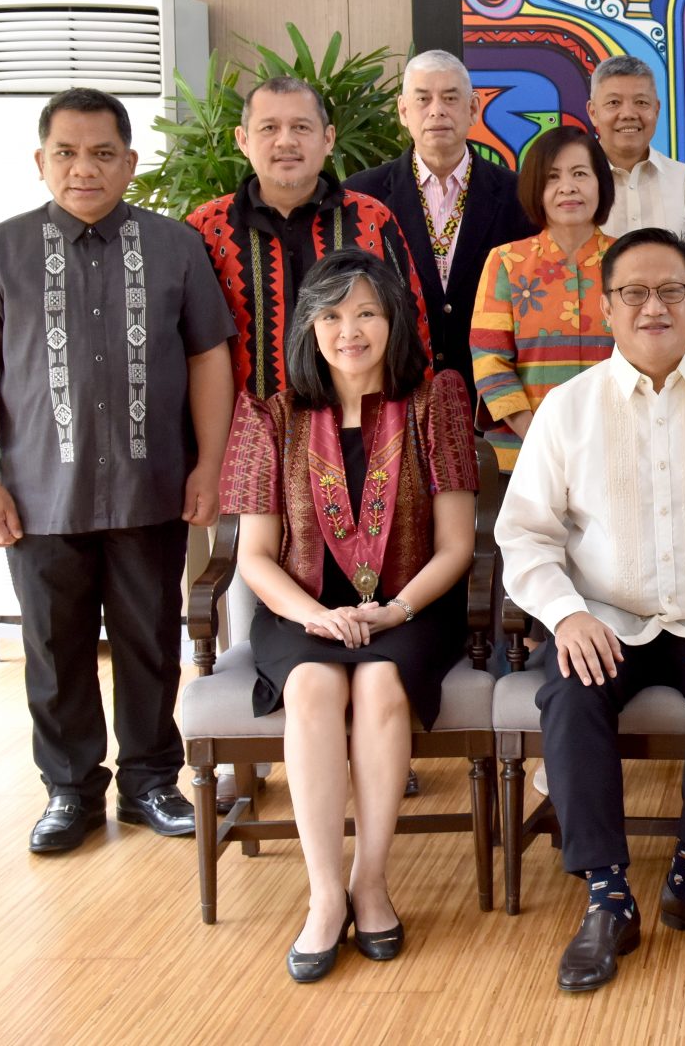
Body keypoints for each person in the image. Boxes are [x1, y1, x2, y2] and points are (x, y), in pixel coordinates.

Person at [496, 228, 685, 992]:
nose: (653, 306)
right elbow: (525, 534)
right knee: (569, 696)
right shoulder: (567, 409)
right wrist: (567, 615)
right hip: (603, 618)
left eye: (671, 290)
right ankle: (607, 897)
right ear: (607, 309)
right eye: (633, 292)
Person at [0, 88, 236, 855]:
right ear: (41, 162)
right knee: (53, 647)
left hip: (151, 486)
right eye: (66, 152)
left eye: (103, 153)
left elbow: (209, 359)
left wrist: (209, 464)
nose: (84, 168)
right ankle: (69, 792)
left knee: (148, 640)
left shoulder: (176, 248)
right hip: (38, 496)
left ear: (130, 162)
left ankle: (148, 784)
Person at [219, 250, 479, 981]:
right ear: (309, 327)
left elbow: (457, 546)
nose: (349, 329)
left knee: (378, 687)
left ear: (393, 320)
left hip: (412, 605)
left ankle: (371, 880)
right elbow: (257, 559)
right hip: (302, 611)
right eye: (331, 315)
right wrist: (318, 617)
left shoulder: (436, 403)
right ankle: (325, 895)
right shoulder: (271, 416)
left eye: (366, 311)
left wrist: (395, 608)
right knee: (312, 687)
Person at [188, 76, 433, 400]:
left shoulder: (372, 219)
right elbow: (189, 348)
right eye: (269, 128)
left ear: (328, 138)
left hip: (359, 438)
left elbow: (413, 330)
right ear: (243, 140)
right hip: (244, 441)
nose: (285, 141)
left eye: (301, 128)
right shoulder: (207, 228)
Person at [344, 49, 535, 404]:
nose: (437, 110)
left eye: (450, 98)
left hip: (491, 397)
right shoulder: (361, 195)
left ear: (473, 109)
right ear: (403, 110)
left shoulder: (518, 195)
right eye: (423, 99)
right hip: (394, 395)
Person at [467, 128, 618, 471]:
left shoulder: (628, 260)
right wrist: (537, 435)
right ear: (536, 188)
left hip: (614, 454)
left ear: (601, 183)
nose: (568, 187)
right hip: (523, 457)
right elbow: (490, 361)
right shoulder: (506, 261)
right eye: (552, 177)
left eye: (580, 174)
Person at [586, 55, 685, 236]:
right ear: (593, 112)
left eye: (641, 102)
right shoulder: (571, 188)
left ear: (656, 110)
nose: (628, 114)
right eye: (613, 103)